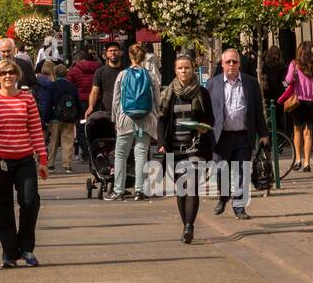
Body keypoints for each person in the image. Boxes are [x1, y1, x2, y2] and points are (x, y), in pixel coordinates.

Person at [0, 59, 48, 268]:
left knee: (30, 201)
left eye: (11, 72)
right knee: (3, 207)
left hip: (24, 159)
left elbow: (36, 129)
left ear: (17, 75)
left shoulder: (27, 99)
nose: (7, 76)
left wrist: (43, 158)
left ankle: (26, 247)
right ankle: (9, 253)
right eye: (3, 73)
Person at [157, 55, 214, 243]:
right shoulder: (168, 93)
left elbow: (210, 119)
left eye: (187, 68)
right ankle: (185, 226)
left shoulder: (202, 92)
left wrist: (202, 126)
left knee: (192, 187)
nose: (184, 71)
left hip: (195, 148)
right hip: (174, 148)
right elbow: (162, 119)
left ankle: (189, 226)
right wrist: (161, 143)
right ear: (175, 70)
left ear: (193, 69)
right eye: (180, 68)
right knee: (180, 188)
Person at [206, 47, 265, 219]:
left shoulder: (251, 83)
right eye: (228, 62)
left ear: (239, 64)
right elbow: (207, 110)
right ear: (222, 64)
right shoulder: (212, 84)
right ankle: (223, 197)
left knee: (242, 172)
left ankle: (239, 207)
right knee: (220, 171)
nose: (231, 64)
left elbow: (258, 111)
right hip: (221, 136)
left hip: (243, 136)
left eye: (235, 61)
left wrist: (264, 133)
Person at [112, 44, 162, 199]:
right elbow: (157, 100)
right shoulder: (151, 76)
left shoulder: (122, 75)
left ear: (130, 56)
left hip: (125, 118)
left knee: (121, 155)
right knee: (140, 153)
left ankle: (118, 190)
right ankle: (139, 190)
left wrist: (115, 119)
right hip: (146, 119)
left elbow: (116, 100)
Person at [281, 41, 313, 172]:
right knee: (308, 132)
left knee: (297, 131)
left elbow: (288, 80)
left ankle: (297, 159)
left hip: (298, 101)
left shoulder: (295, 64)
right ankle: (307, 162)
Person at [42, 62, 80, 172]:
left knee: (53, 140)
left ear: (54, 73)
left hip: (55, 117)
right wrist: (77, 115)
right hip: (69, 117)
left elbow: (48, 103)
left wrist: (46, 118)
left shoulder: (52, 86)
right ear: (66, 74)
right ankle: (67, 164)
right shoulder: (71, 85)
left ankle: (51, 163)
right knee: (68, 140)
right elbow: (76, 101)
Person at [86, 41, 127, 119]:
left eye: (115, 50)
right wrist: (91, 106)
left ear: (120, 52)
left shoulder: (127, 70)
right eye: (110, 51)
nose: (113, 53)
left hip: (125, 111)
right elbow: (94, 92)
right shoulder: (100, 72)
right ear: (106, 54)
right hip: (107, 111)